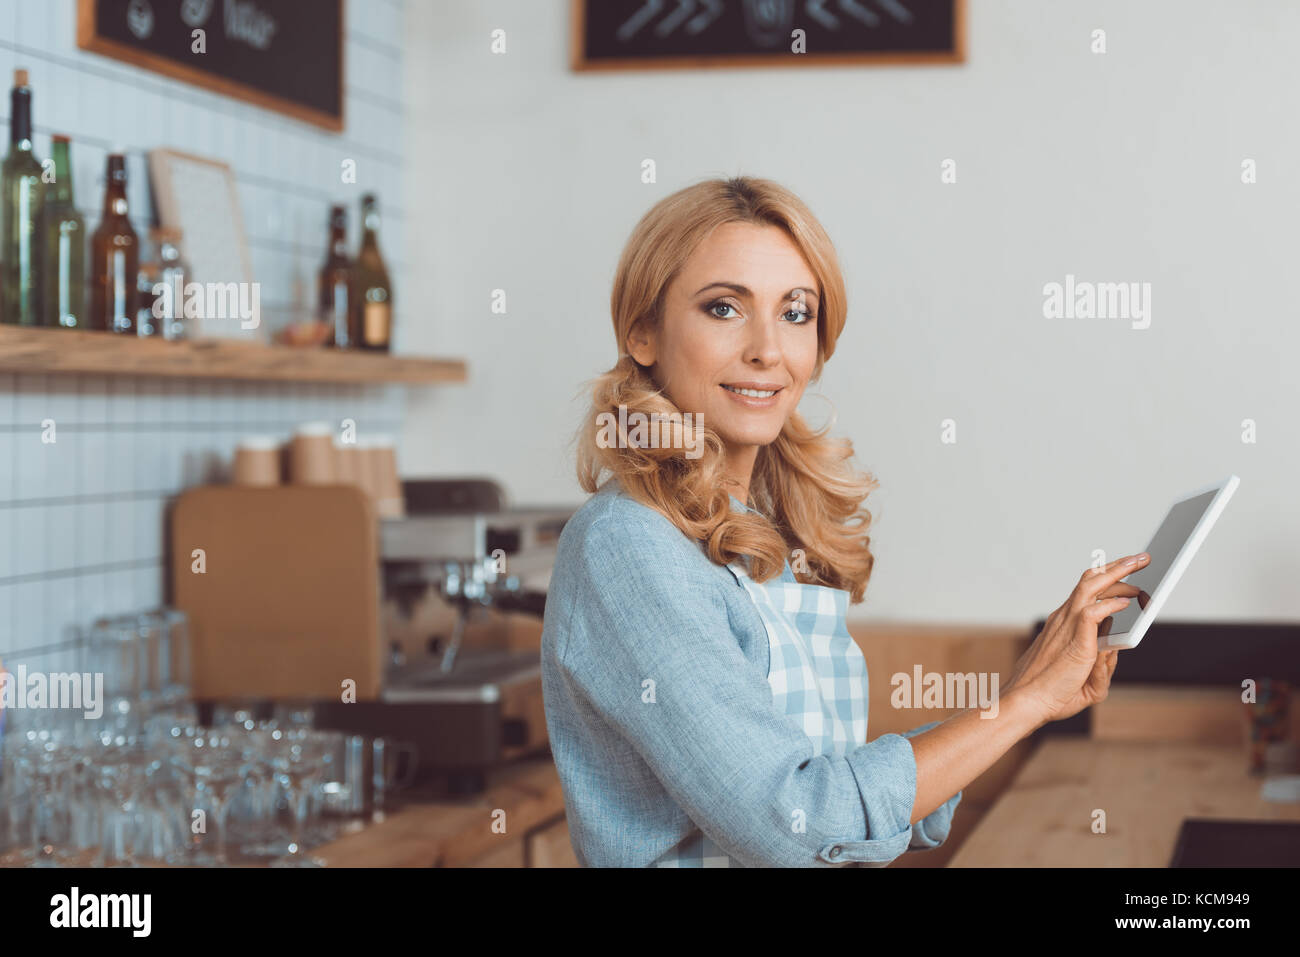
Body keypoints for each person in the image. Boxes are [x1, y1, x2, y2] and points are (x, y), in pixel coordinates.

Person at [540, 175, 1148, 867]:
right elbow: (795, 821)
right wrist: (1018, 708)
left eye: (795, 312)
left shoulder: (753, 529)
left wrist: (1018, 698)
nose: (768, 349)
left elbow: (831, 785)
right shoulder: (627, 544)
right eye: (723, 308)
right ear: (641, 331)